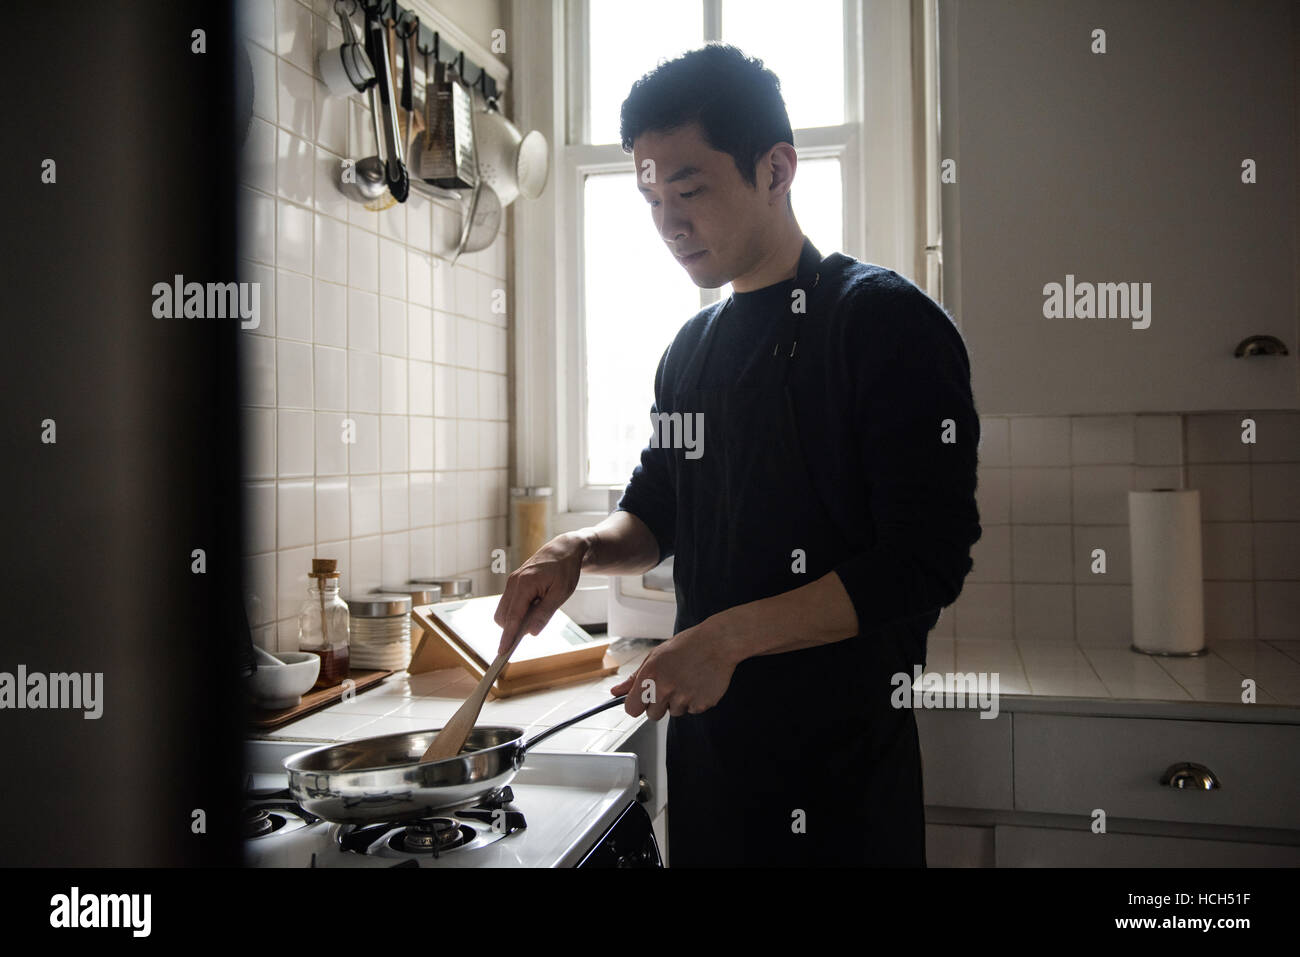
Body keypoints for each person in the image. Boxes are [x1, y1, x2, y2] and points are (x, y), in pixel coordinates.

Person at [493, 43, 981, 866]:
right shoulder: (692, 349)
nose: (670, 222)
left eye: (691, 189)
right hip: (713, 766)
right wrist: (578, 547)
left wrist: (723, 639)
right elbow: (657, 511)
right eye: (652, 197)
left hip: (844, 780)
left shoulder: (884, 325)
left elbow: (925, 560)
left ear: (776, 170)